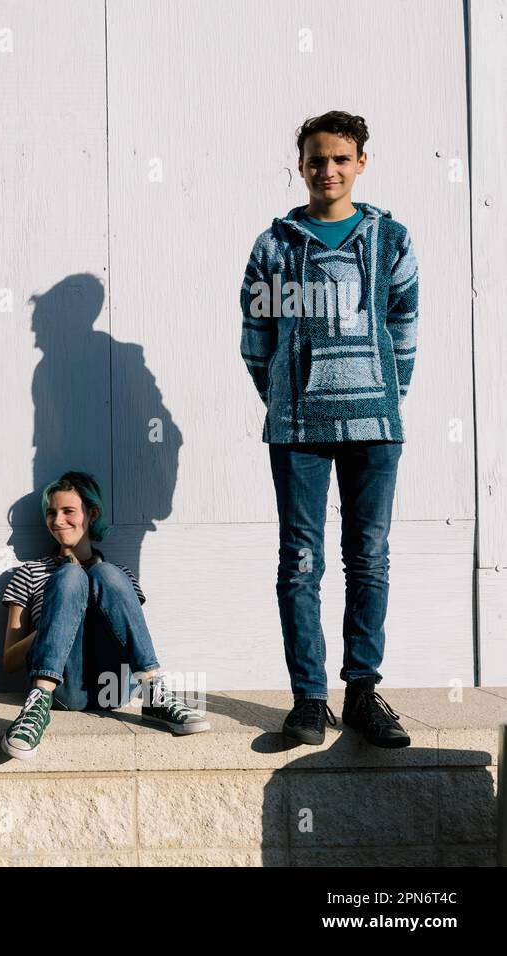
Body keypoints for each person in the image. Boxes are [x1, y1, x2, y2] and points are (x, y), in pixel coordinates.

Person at [240, 111, 418, 748]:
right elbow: (256, 338)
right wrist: (287, 395)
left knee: (368, 558)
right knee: (301, 561)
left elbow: (404, 332)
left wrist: (384, 399)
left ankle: (364, 694)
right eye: (317, 159)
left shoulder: (391, 239)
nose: (328, 170)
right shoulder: (276, 245)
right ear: (302, 165)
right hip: (297, 429)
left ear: (361, 162)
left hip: (375, 425)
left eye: (341, 159)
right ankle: (308, 699)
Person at [0, 471, 209, 759]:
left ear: (92, 513)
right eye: (51, 513)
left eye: (68, 511)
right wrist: (53, 625)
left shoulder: (119, 577)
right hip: (64, 688)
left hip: (115, 685)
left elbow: (131, 633)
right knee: (69, 577)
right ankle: (37, 705)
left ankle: (155, 693)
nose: (58, 520)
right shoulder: (30, 574)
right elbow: (10, 660)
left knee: (105, 572)